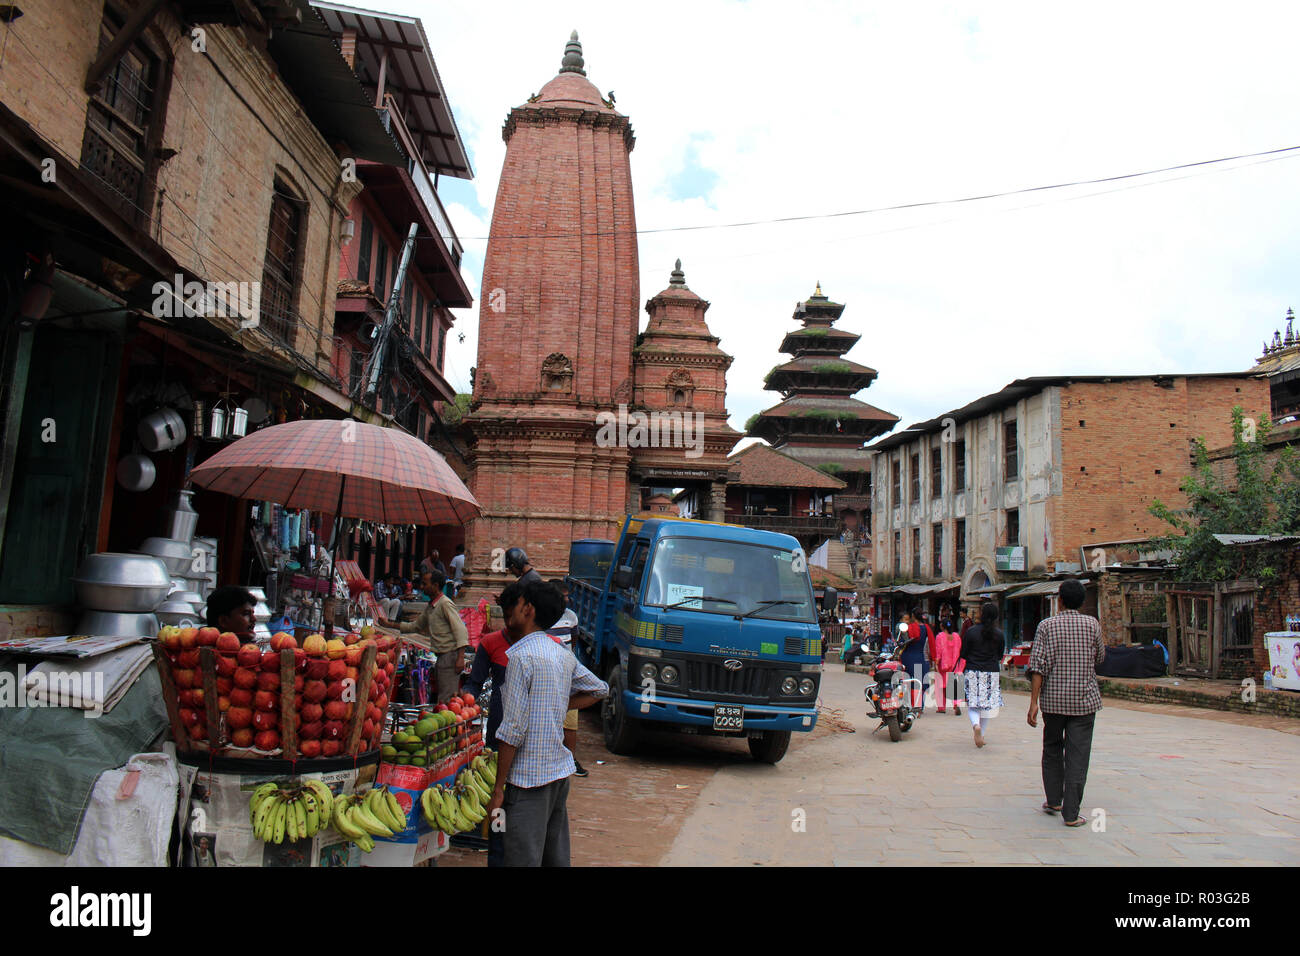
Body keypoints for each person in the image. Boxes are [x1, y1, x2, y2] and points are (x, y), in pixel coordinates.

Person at [487, 580, 609, 867]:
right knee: (553, 858)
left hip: (527, 780)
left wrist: (498, 788)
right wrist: (556, 703)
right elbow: (599, 689)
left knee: (521, 857)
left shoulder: (520, 656)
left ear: (527, 609)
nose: (511, 609)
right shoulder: (561, 654)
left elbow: (512, 730)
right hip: (557, 775)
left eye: (516, 604)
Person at [1027, 579, 1106, 828]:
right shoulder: (1092, 624)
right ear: (1082, 602)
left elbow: (1038, 666)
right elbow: (1101, 657)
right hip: (1084, 701)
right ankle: (1071, 814)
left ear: (1059, 600)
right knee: (1078, 755)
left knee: (1052, 748)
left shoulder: (1046, 626)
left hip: (1053, 702)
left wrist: (1033, 703)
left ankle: (1054, 800)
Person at [462, 580, 526, 868]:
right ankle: (497, 858)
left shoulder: (543, 646)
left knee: (523, 807)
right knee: (497, 800)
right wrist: (464, 704)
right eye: (507, 612)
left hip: (529, 741)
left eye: (515, 612)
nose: (511, 619)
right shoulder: (490, 644)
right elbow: (474, 683)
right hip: (498, 735)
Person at [392, 569, 468, 703]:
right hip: (442, 657)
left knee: (447, 700)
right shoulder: (431, 607)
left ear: (436, 586)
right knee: (445, 698)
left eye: (425, 584)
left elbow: (460, 630)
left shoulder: (445, 604)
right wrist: (390, 624)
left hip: (449, 657)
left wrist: (460, 657)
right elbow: (415, 626)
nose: (421, 587)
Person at [546, 579, 586, 777]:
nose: (567, 600)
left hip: (566, 676)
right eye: (563, 597)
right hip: (546, 676)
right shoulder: (542, 618)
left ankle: (570, 759)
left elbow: (574, 641)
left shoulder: (571, 617)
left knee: (570, 721)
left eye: (567, 596)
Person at [960, 601, 1005, 748]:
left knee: (973, 705)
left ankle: (975, 726)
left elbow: (963, 653)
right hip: (991, 671)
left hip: (973, 671)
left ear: (981, 614)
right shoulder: (999, 634)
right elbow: (999, 655)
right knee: (987, 707)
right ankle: (982, 733)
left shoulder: (971, 632)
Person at [901, 606, 932, 711]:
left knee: (908, 682)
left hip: (908, 657)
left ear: (913, 616)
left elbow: (903, 642)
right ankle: (919, 707)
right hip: (920, 657)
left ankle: (909, 705)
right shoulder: (927, 628)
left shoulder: (910, 627)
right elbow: (931, 643)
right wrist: (933, 659)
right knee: (918, 682)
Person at [932, 619, 965, 715]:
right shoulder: (957, 636)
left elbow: (938, 651)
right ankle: (956, 704)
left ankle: (941, 707)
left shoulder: (940, 636)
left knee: (940, 687)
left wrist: (936, 663)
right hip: (955, 665)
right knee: (955, 685)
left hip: (944, 665)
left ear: (942, 626)